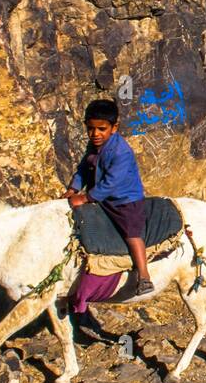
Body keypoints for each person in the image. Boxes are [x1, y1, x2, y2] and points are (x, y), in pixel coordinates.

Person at [64, 99, 154, 298]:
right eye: (91, 129)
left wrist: (86, 197)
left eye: (101, 129)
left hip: (124, 201)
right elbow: (83, 169)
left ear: (114, 128)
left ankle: (144, 276)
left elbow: (110, 182)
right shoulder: (94, 145)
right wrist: (73, 188)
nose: (95, 134)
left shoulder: (122, 152)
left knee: (132, 235)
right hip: (102, 198)